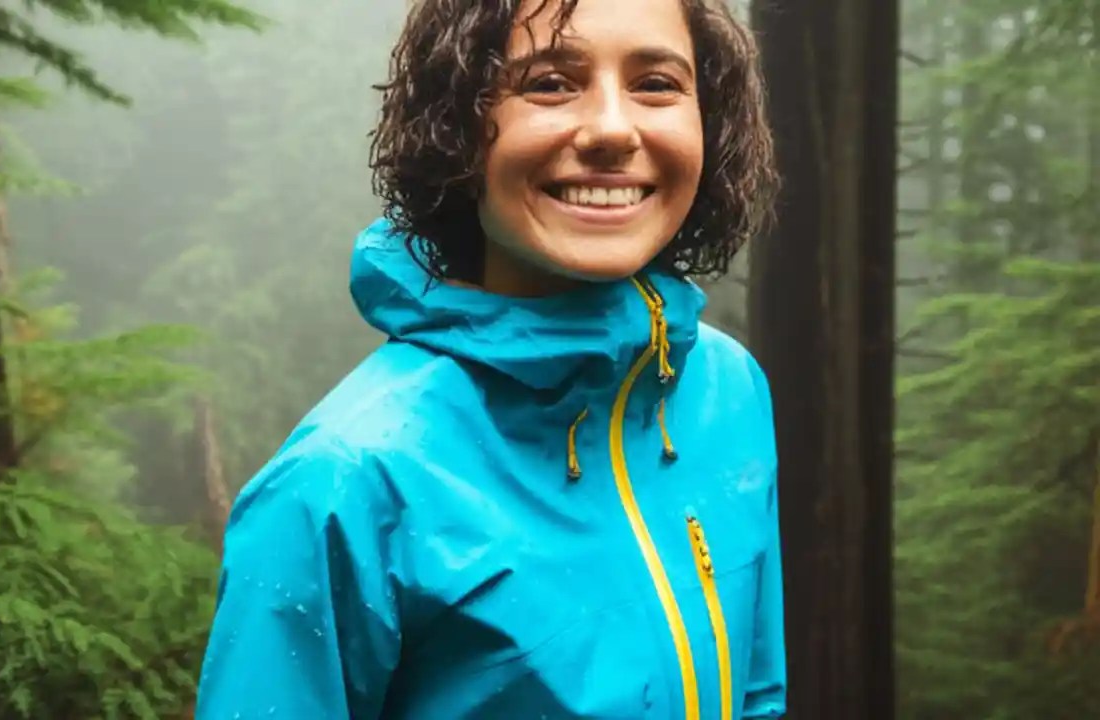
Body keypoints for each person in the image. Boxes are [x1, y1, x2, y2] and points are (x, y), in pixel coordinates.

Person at [195, 0, 784, 717]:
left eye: (656, 84)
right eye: (549, 83)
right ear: (456, 127)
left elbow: (756, 696)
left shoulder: (723, 390)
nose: (610, 128)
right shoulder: (345, 484)